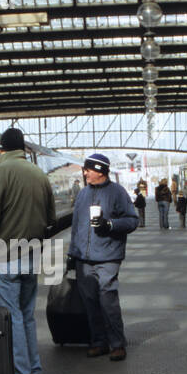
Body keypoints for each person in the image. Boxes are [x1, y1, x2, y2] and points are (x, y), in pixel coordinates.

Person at [0, 126, 56, 374]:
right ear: (23, 149)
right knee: (27, 316)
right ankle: (35, 370)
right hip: (32, 254)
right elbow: (51, 218)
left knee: (12, 319)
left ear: (1, 149)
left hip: (6, 256)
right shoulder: (39, 174)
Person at [67, 153, 139, 360]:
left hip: (108, 255)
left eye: (88, 170)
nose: (85, 173)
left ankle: (117, 343)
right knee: (89, 301)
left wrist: (110, 225)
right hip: (84, 258)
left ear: (99, 171)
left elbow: (132, 220)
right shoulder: (82, 194)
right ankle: (99, 341)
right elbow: (76, 227)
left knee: (107, 299)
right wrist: (72, 254)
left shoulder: (117, 193)